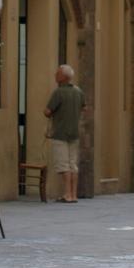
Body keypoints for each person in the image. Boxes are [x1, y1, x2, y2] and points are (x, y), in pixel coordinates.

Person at [44, 64, 84, 203]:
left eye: (57, 73)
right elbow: (83, 107)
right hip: (74, 133)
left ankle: (67, 194)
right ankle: (74, 194)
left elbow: (48, 111)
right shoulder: (78, 91)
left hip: (60, 133)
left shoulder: (59, 92)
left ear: (63, 77)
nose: (55, 75)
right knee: (73, 165)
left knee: (63, 165)